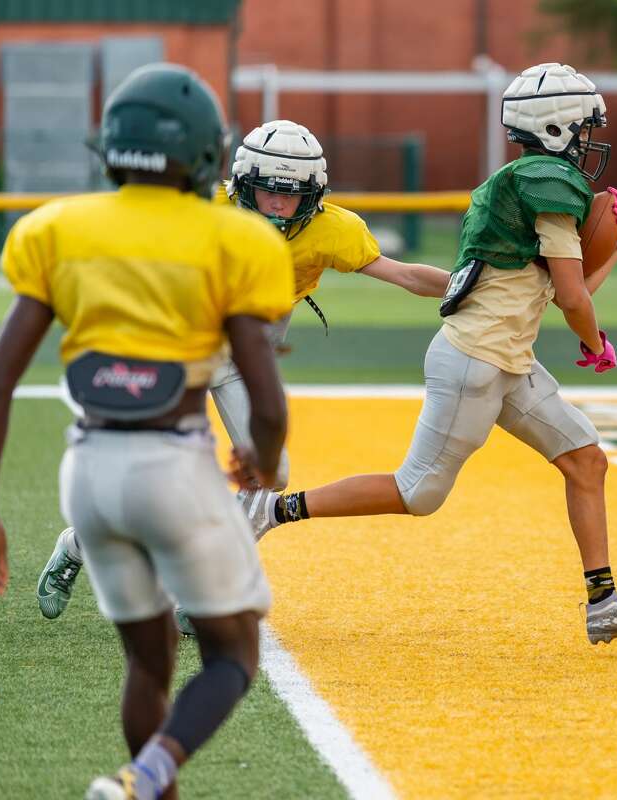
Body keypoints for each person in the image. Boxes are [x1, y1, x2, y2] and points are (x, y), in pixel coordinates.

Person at [0, 64, 296, 799]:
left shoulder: (56, 228)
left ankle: (144, 786)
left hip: (87, 473)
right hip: (171, 465)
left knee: (147, 664)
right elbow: (266, 404)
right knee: (233, 656)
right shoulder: (235, 239)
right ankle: (144, 777)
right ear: (207, 153)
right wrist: (261, 463)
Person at [255, 62, 617, 645]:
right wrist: (594, 342)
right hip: (477, 360)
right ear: (557, 128)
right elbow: (574, 300)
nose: (588, 139)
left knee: (585, 459)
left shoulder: (526, 180)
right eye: (582, 126)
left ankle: (603, 602)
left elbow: (560, 292)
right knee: (417, 493)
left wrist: (616, 249)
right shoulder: (547, 183)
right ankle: (269, 512)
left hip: (505, 359)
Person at [36, 118, 452, 633]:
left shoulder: (333, 229)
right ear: (241, 183)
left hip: (241, 361)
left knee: (272, 476)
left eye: (292, 195)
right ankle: (77, 545)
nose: (278, 205)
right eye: (267, 191)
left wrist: (471, 288)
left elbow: (405, 274)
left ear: (314, 194)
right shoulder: (202, 208)